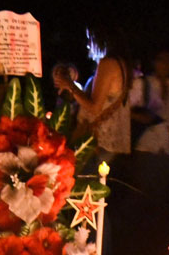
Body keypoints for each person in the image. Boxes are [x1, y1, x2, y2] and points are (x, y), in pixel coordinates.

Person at [55, 23, 133, 164]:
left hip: (97, 142)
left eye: (90, 39)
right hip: (109, 142)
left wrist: (70, 85)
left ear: (102, 39)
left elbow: (95, 108)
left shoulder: (108, 63)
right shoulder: (122, 64)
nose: (88, 45)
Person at [128, 48, 169, 197]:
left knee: (159, 195)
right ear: (154, 62)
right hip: (145, 146)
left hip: (164, 148)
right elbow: (123, 108)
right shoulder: (143, 84)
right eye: (161, 60)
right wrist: (142, 118)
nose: (165, 65)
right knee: (141, 194)